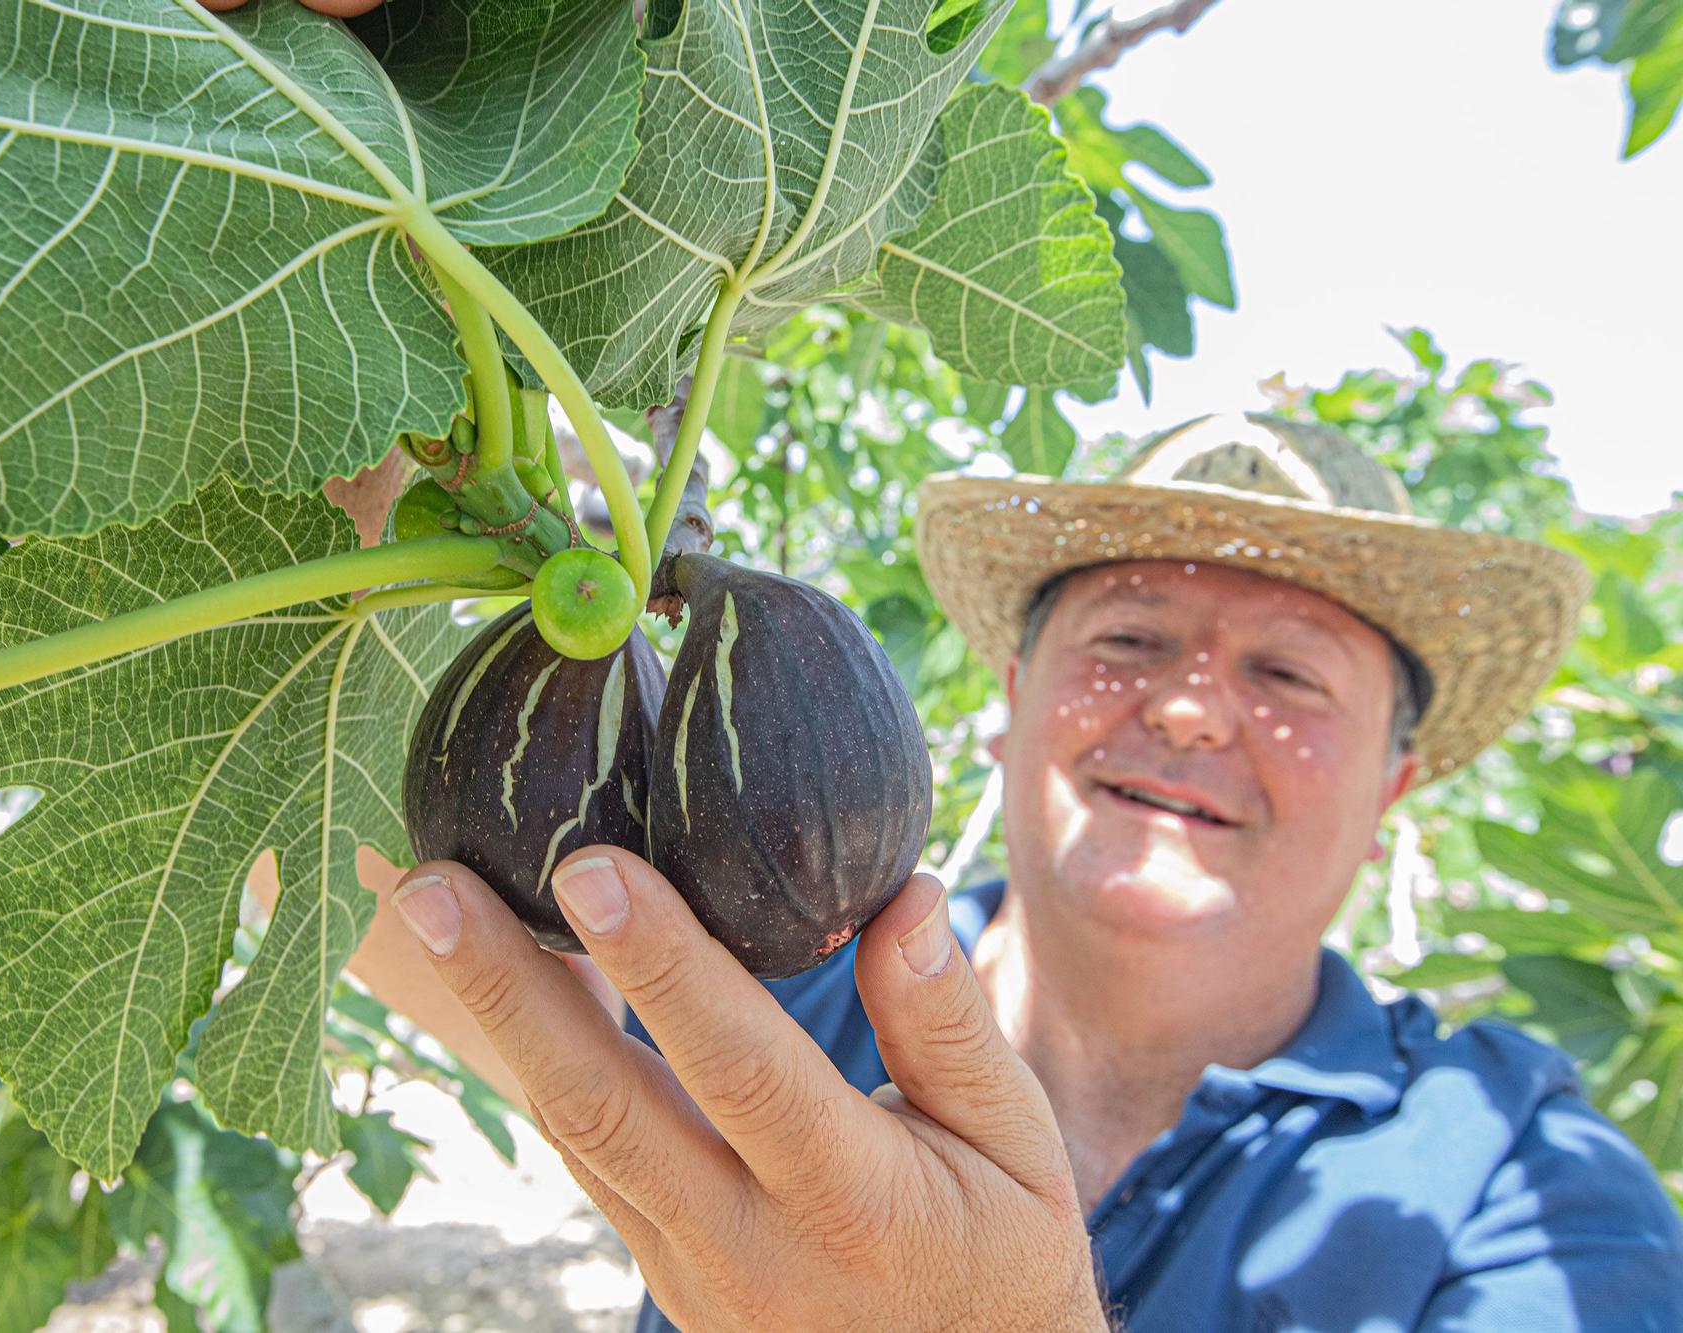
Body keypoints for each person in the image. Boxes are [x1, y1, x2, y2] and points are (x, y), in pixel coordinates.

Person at [349, 412, 1683, 1330]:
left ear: (1395, 785)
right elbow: (318, 851)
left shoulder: (1532, 1198)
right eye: (1132, 636)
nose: (1191, 711)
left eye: (1285, 674)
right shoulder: (753, 985)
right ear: (1008, 696)